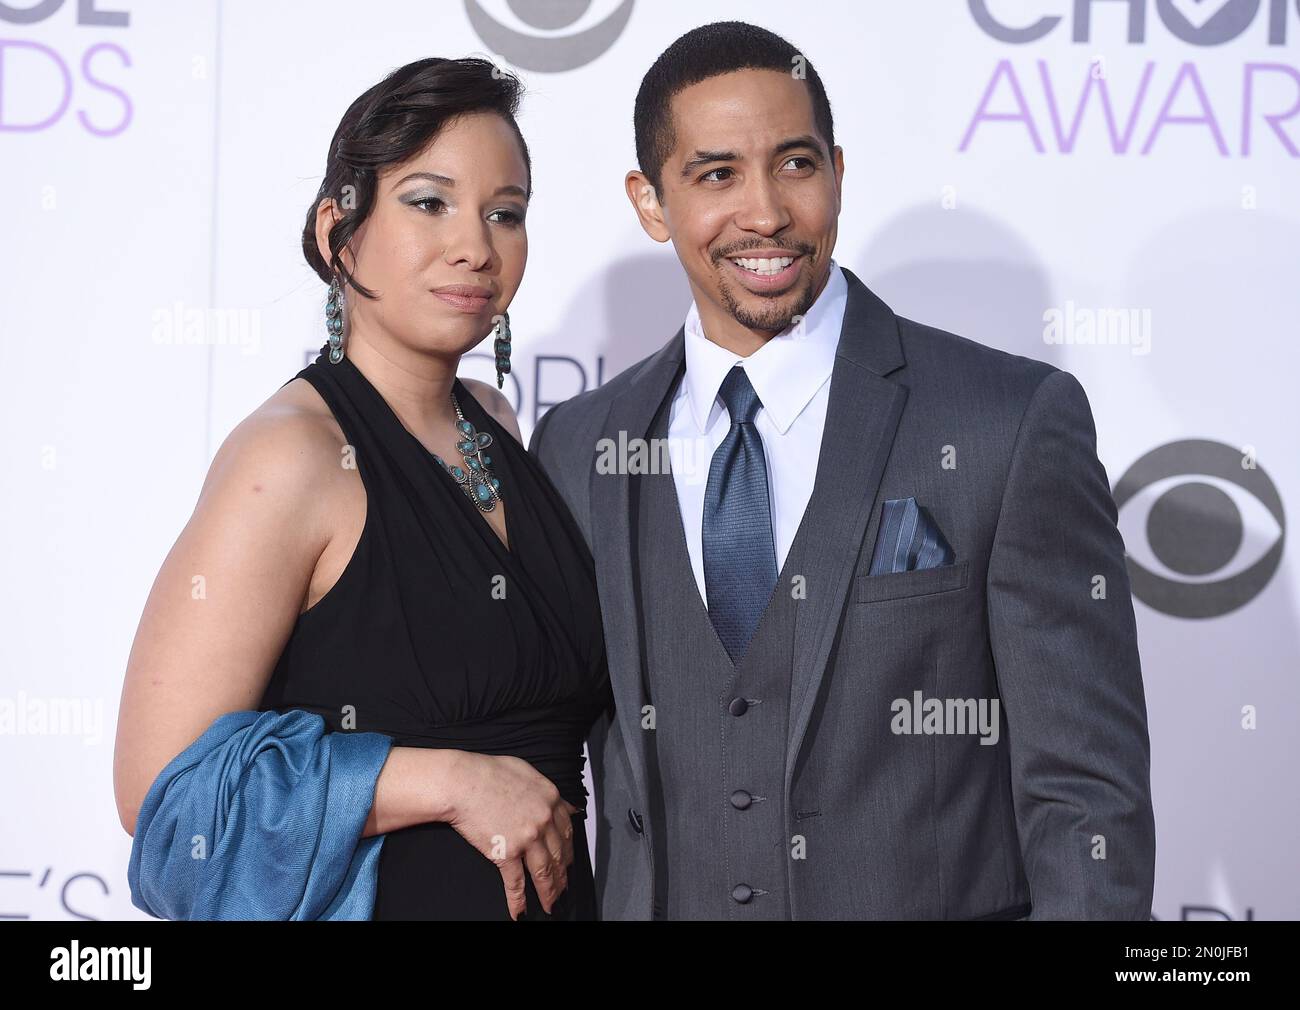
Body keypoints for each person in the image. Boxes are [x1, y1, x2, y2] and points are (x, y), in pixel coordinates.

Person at [529, 22, 1156, 920]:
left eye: (795, 164)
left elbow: (1086, 793)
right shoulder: (579, 444)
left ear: (837, 170)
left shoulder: (1005, 421)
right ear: (650, 202)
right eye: (716, 175)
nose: (766, 214)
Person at [115, 56, 612, 921]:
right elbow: (165, 802)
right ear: (336, 229)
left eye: (507, 213)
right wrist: (445, 780)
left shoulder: (494, 419)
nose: (476, 245)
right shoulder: (291, 456)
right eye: (430, 202)